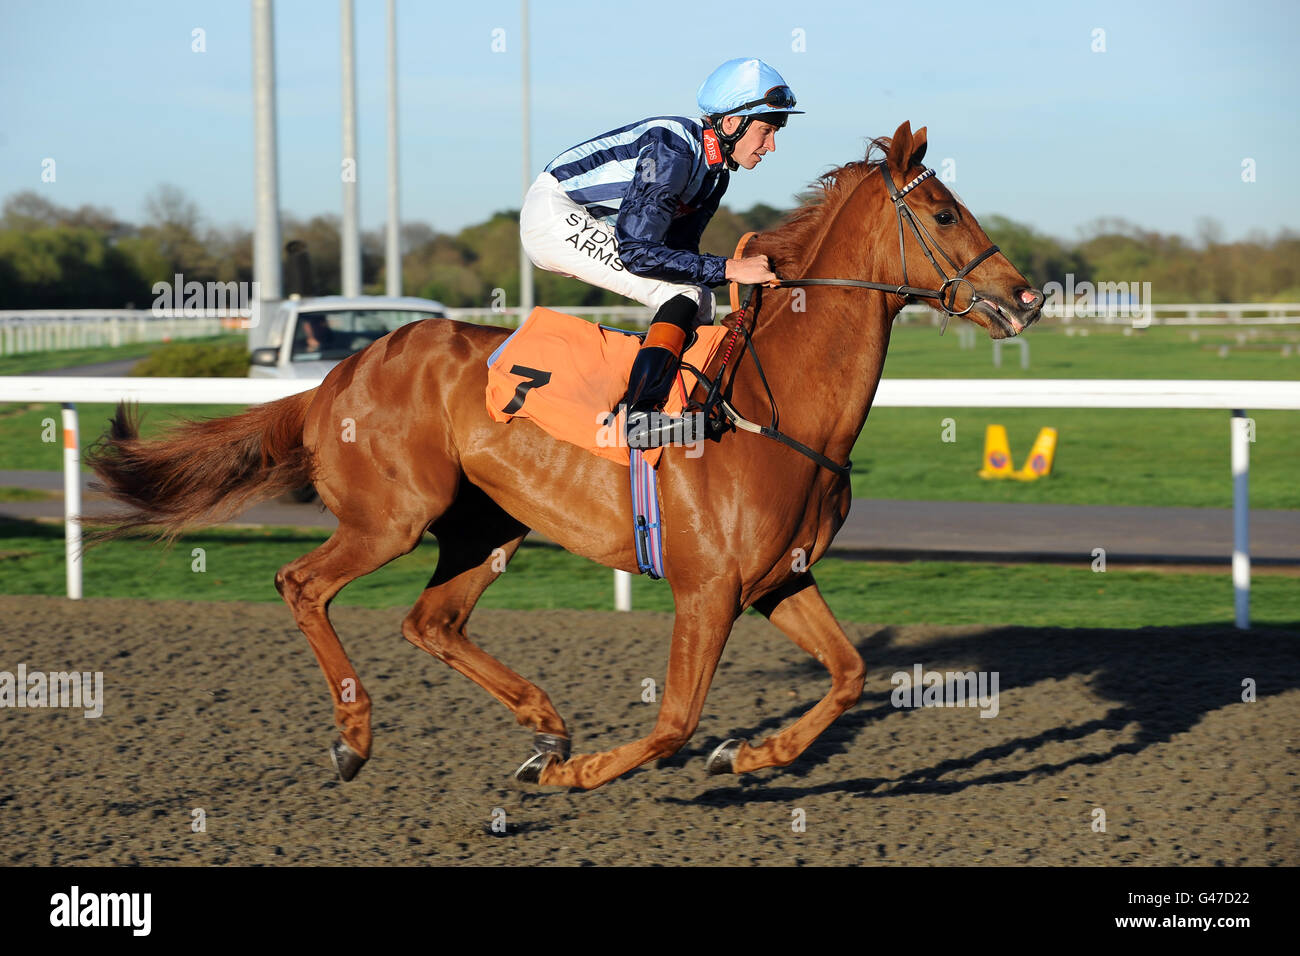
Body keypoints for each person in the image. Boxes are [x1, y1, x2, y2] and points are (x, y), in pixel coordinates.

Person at [519, 57, 801, 447]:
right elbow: (638, 253)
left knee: (698, 300)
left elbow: (678, 254)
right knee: (683, 293)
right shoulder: (673, 150)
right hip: (554, 216)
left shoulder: (715, 175)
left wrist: (726, 275)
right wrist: (732, 268)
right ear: (733, 123)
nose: (771, 146)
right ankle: (640, 415)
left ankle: (672, 401)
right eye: (767, 130)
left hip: (592, 221)